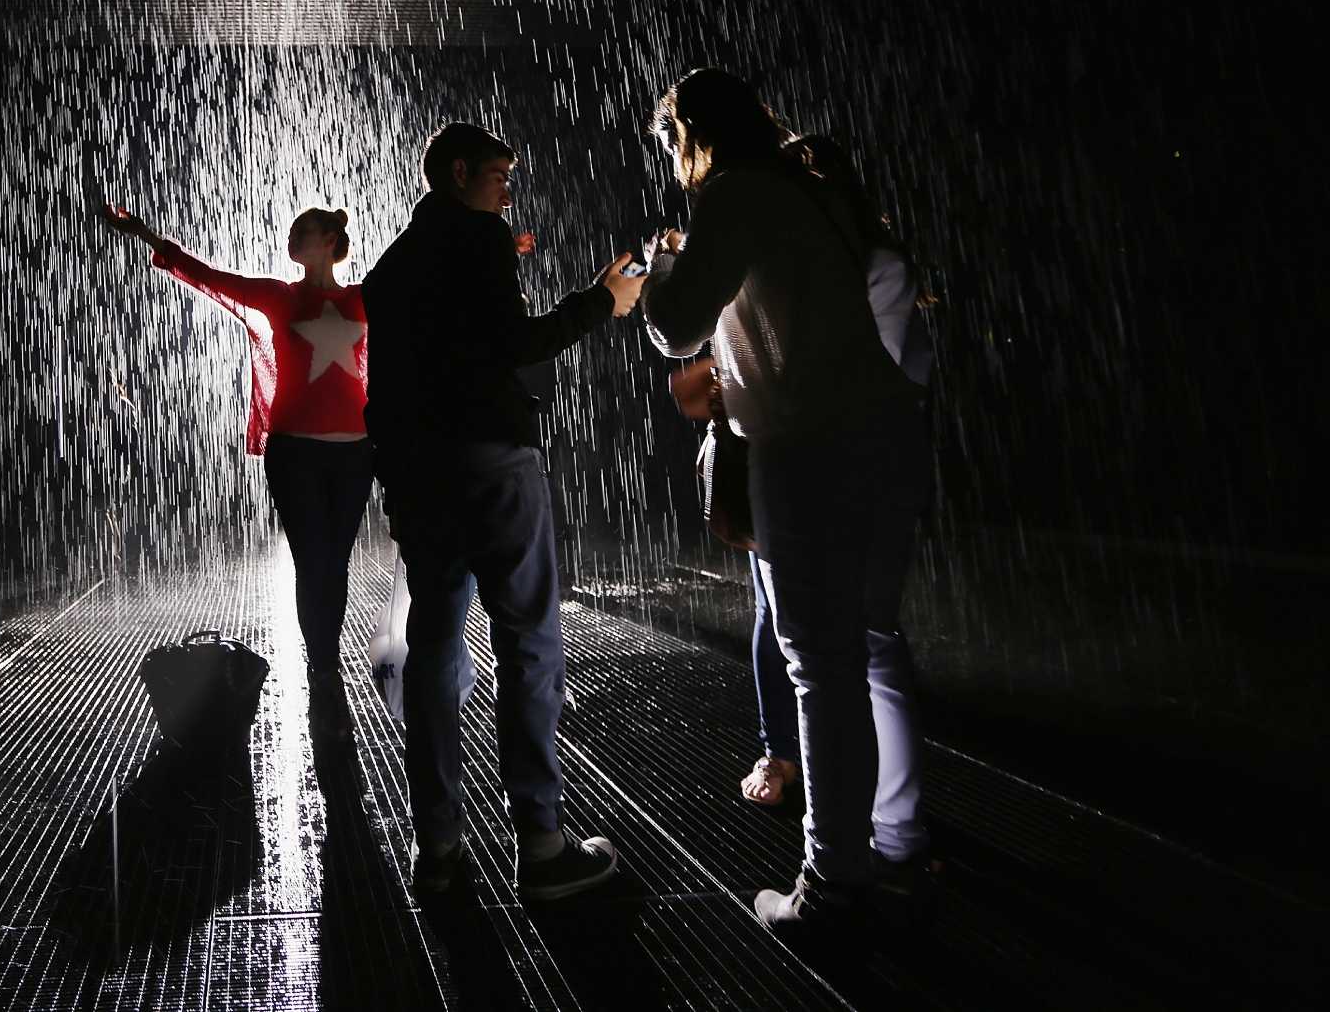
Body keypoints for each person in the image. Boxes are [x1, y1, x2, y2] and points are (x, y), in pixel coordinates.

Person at [639, 69, 931, 934]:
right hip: (886, 435)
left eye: (673, 147)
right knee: (872, 651)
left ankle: (831, 884)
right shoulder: (813, 196)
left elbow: (676, 325)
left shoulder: (733, 194)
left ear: (693, 134)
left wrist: (663, 267)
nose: (676, 165)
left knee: (822, 670)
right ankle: (898, 840)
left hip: (807, 446)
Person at [360, 122, 645, 902]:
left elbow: (382, 381)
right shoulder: (479, 236)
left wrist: (395, 476)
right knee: (528, 641)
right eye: (498, 173)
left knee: (436, 651)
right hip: (492, 461)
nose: (507, 188)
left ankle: (440, 843)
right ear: (459, 172)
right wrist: (601, 300)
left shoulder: (390, 268)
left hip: (421, 477)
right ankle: (544, 846)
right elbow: (513, 345)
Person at [99, 202, 372, 741]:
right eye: (291, 229)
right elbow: (206, 277)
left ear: (328, 240)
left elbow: (424, 289)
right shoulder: (277, 295)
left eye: (302, 230)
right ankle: (323, 672)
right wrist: (147, 232)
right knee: (312, 558)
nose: (290, 236)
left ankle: (326, 666)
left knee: (334, 562)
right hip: (294, 450)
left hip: (356, 451)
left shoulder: (364, 297)